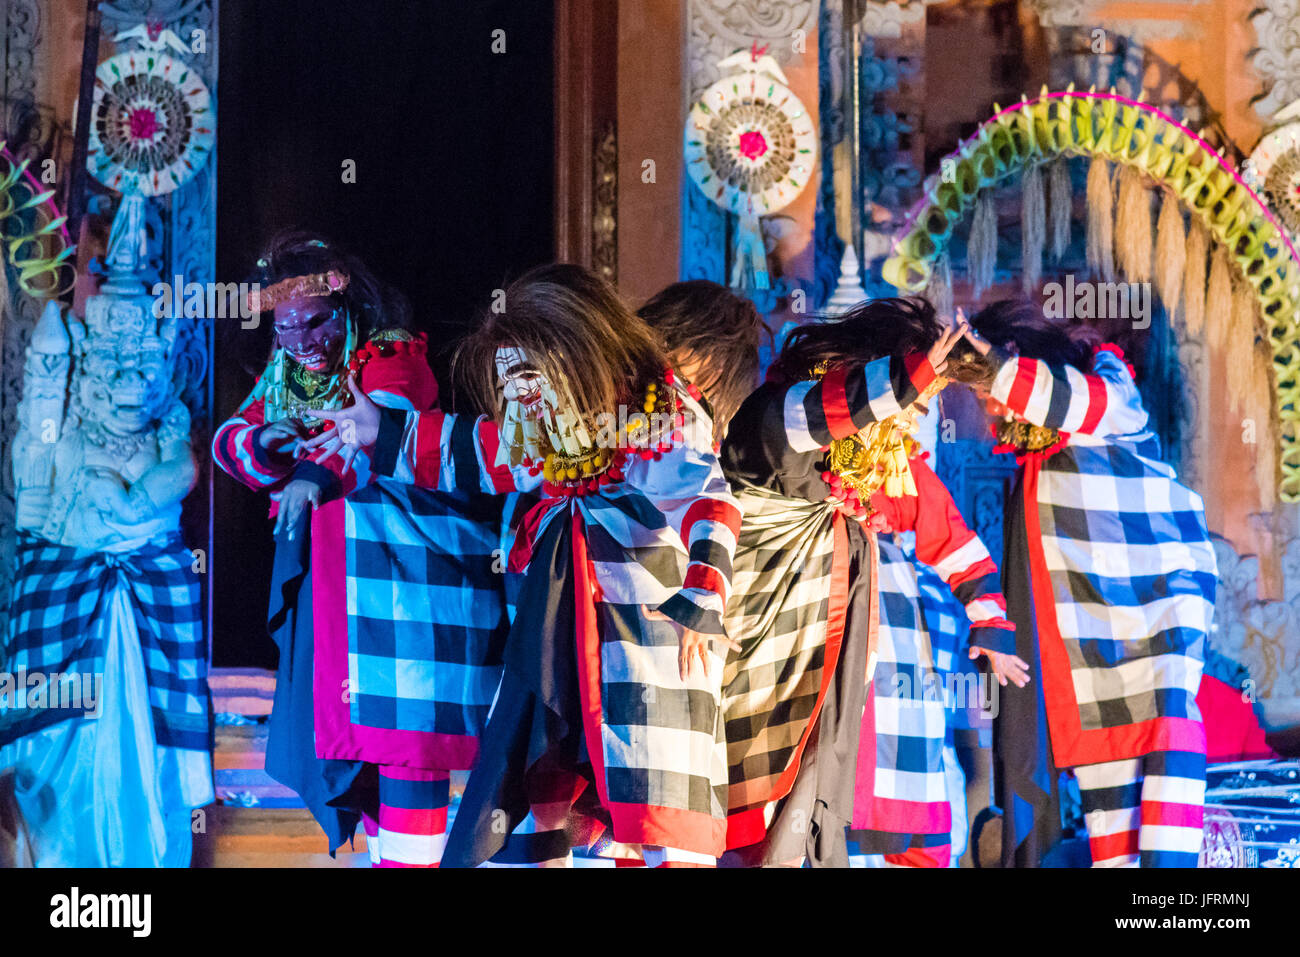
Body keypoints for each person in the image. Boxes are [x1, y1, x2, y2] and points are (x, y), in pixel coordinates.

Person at [304, 264, 742, 866]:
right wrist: (384, 433)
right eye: (510, 383)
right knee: (535, 799)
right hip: (545, 641)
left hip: (641, 643)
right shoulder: (541, 429)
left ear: (574, 351)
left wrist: (703, 592)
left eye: (529, 377)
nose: (520, 397)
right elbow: (475, 450)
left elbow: (705, 497)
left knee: (655, 811)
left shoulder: (655, 411)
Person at [643, 284, 1022, 866]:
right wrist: (911, 376)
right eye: (909, 410)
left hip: (819, 693)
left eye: (919, 416)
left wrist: (990, 621)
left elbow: (948, 531)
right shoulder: (770, 426)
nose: (910, 428)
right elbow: (816, 413)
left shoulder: (878, 472)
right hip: (735, 669)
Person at [213, 232, 506, 866]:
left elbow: (380, 437)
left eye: (315, 322)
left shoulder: (390, 355)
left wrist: (313, 476)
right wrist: (267, 439)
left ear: (347, 311)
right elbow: (227, 442)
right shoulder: (285, 370)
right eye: (285, 328)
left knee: (402, 741)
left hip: (398, 589)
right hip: (337, 589)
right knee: (360, 746)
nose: (301, 341)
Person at [955, 299, 1217, 868]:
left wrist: (994, 367)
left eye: (986, 392)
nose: (988, 408)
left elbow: (1075, 400)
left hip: (1162, 597)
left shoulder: (1108, 383)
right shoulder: (1036, 456)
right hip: (1093, 624)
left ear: (1017, 359)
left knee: (1168, 726)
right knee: (1109, 760)